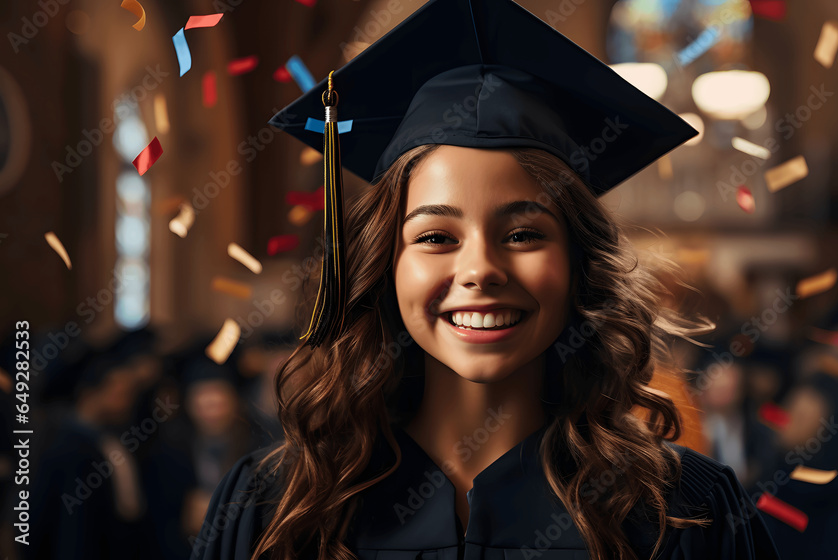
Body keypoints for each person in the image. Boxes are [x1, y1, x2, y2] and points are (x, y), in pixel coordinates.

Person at [190, 0, 781, 558]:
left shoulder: (682, 510)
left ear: (580, 261)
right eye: (435, 238)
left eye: (523, 234)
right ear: (383, 266)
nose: (479, 270)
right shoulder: (276, 507)